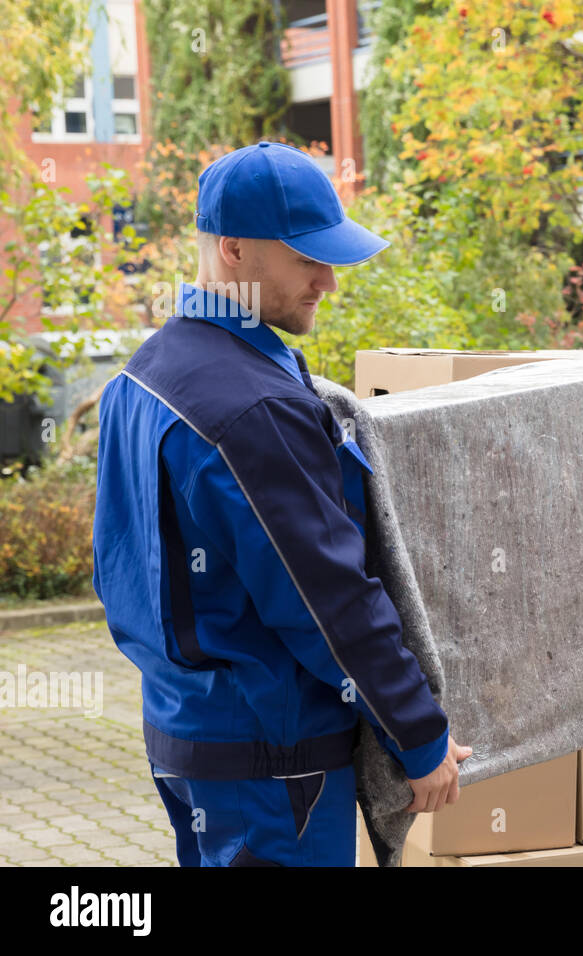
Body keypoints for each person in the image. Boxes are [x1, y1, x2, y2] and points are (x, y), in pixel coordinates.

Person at [92, 141, 471, 866]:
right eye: (307, 259)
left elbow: (117, 574)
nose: (328, 281)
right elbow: (327, 601)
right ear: (234, 250)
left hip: (189, 739)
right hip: (271, 762)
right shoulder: (251, 408)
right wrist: (419, 736)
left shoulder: (142, 377)